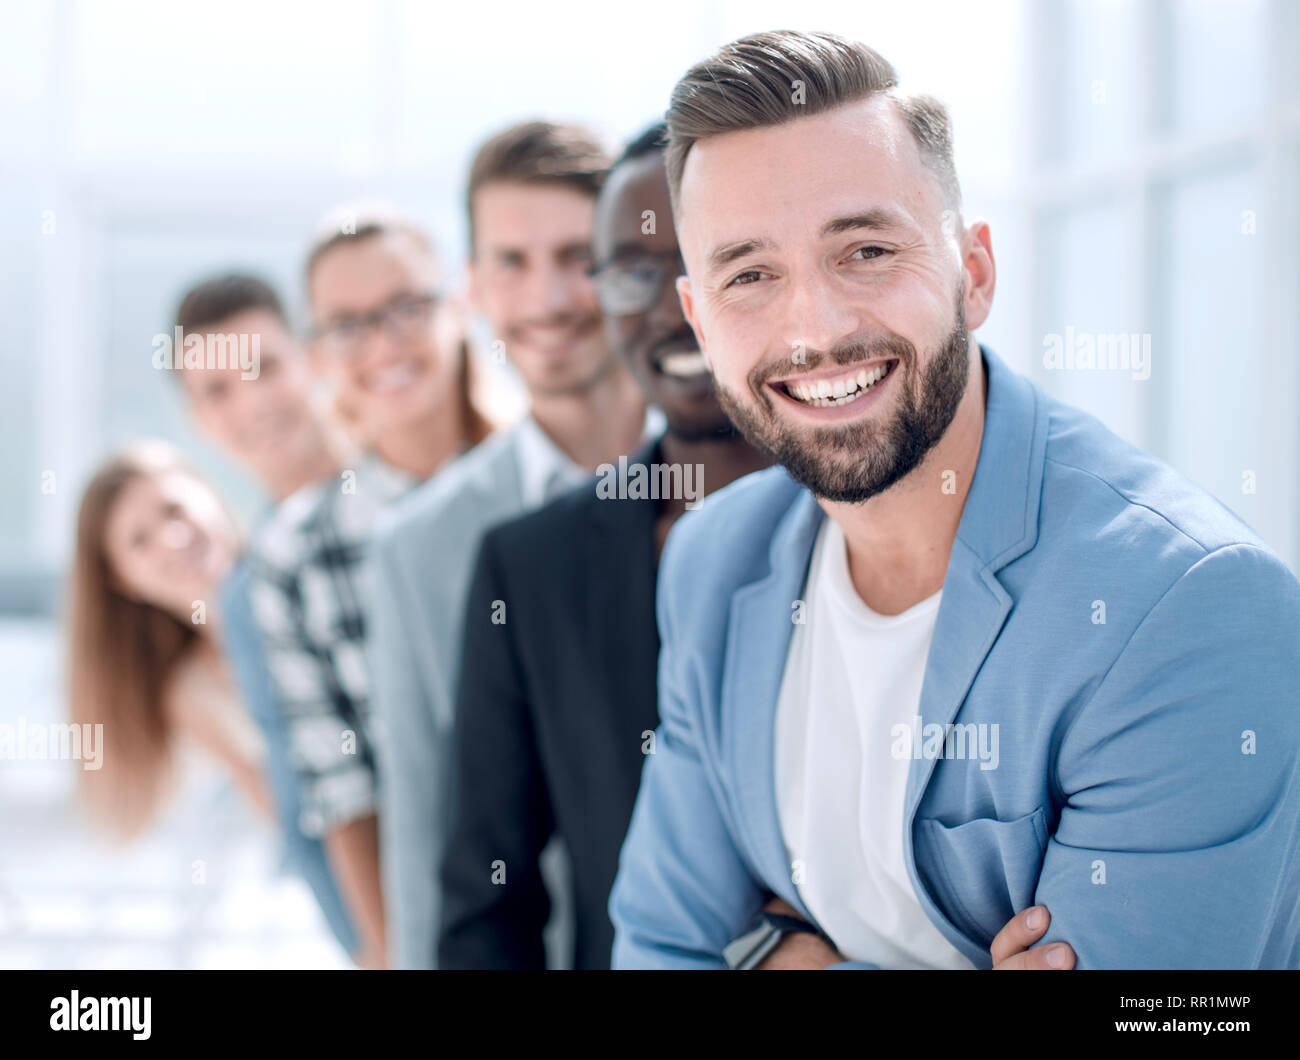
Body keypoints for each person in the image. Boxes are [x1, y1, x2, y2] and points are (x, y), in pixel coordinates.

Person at [609, 30, 1300, 970]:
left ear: (972, 273)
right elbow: (658, 944)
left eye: (865, 249)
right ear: (701, 319)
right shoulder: (714, 559)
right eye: (751, 275)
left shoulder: (1192, 606)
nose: (816, 327)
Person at [438, 125, 769, 969]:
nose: (670, 307)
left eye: (712, 261)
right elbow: (485, 907)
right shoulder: (532, 567)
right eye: (631, 272)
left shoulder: (889, 523)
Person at [369, 121, 655, 969]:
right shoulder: (418, 551)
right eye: (512, 262)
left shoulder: (734, 488)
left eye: (578, 257)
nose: (549, 299)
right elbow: (427, 839)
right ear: (472, 288)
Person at [244, 211, 494, 969]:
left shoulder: (554, 486)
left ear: (458, 307)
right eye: (347, 326)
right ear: (318, 355)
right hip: (444, 917)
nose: (384, 343)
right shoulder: (298, 554)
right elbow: (342, 794)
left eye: (407, 308)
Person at [170, 273, 358, 956]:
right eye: (217, 390)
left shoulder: (415, 495)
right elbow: (308, 808)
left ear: (312, 358)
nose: (248, 402)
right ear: (196, 419)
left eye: (262, 367)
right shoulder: (250, 595)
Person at [66, 443, 269, 836]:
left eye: (174, 509)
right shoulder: (191, 694)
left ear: (209, 494)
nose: (173, 539)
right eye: (140, 540)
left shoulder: (301, 574)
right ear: (121, 579)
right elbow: (284, 817)